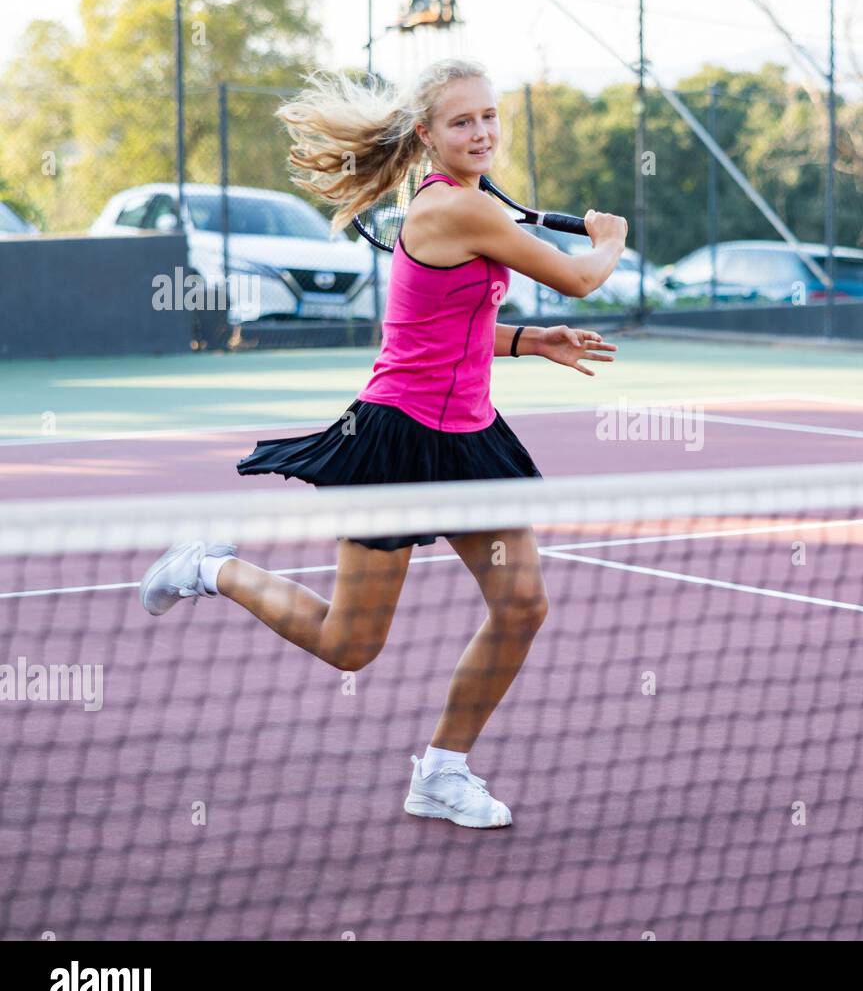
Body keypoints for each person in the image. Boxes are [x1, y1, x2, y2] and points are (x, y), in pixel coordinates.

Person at [138, 59, 628, 829]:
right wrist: (609, 239)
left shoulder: (468, 209)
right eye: (463, 121)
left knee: (523, 604)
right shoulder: (453, 212)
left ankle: (442, 772)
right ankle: (208, 566)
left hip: (469, 441)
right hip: (397, 439)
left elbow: (443, 329)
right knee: (349, 644)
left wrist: (531, 342)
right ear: (428, 135)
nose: (482, 132)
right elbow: (582, 276)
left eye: (490, 117)